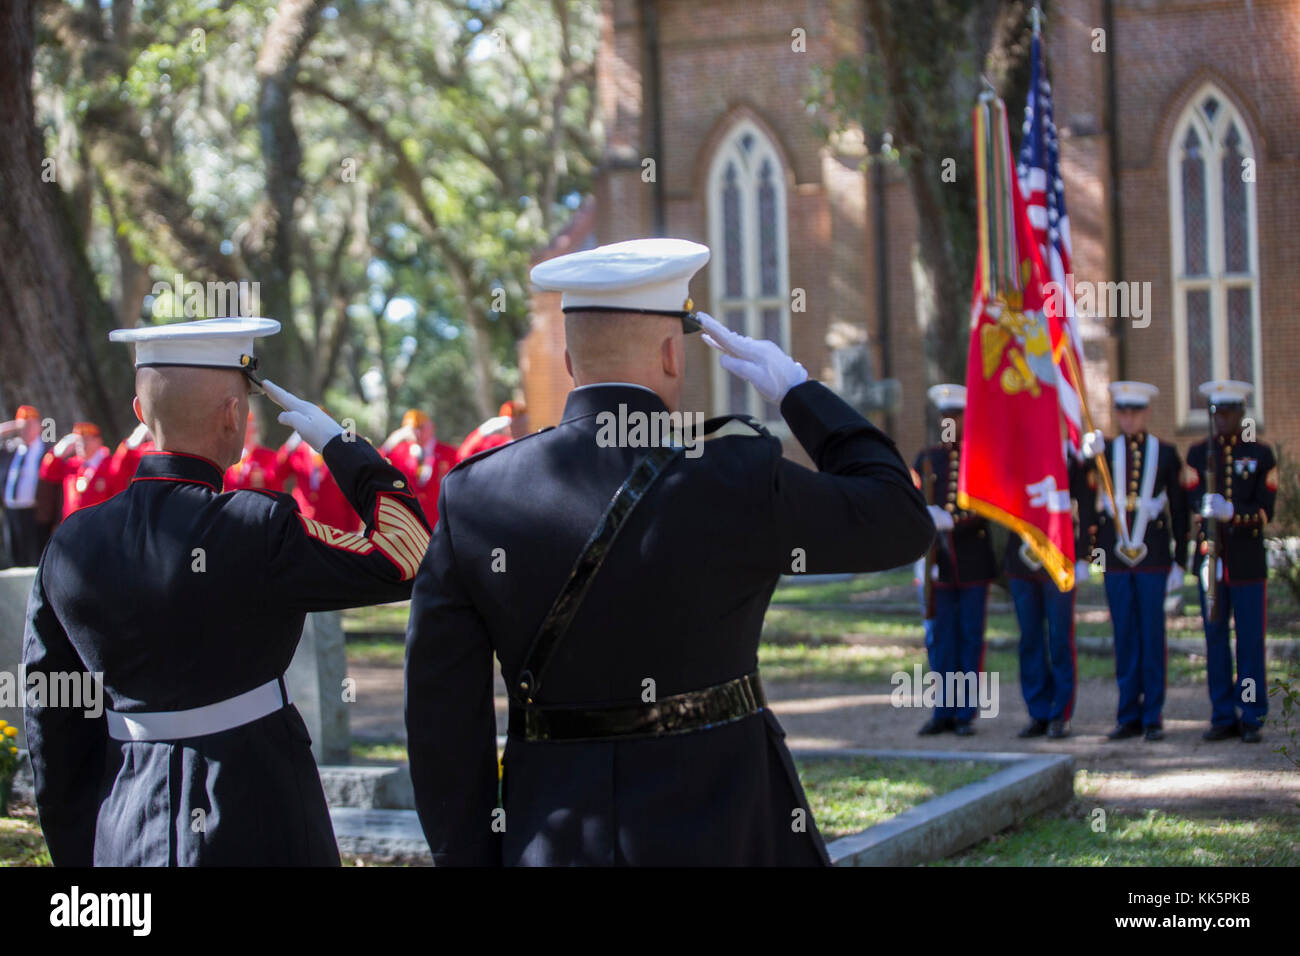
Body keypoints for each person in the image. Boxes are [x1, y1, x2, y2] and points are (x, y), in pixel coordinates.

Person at [404, 237, 933, 866]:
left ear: (571, 363)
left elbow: (440, 719)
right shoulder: (735, 473)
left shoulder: (474, 496)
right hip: (727, 827)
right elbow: (899, 517)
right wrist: (797, 391)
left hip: (555, 836)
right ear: (671, 355)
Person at [23, 316, 431, 866]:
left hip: (128, 817)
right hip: (259, 806)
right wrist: (342, 446)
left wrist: (84, 850)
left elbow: (52, 720)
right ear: (235, 414)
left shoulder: (70, 543)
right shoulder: (256, 525)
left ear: (140, 414)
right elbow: (407, 556)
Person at [1079, 382, 1187, 742]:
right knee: (1124, 635)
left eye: (1134, 411)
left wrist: (1181, 561)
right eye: (1122, 412)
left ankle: (1153, 714)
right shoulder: (1104, 452)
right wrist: (1083, 456)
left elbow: (1181, 511)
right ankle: (1128, 714)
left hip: (1153, 557)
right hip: (1116, 558)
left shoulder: (1167, 454)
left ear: (1146, 413)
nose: (1128, 418)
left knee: (1152, 636)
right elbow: (1079, 489)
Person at [1183, 380, 1275, 744]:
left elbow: (1266, 512)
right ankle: (1222, 714)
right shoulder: (1197, 454)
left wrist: (1233, 512)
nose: (1224, 419)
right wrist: (1201, 510)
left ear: (1241, 414)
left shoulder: (1261, 455)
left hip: (1248, 562)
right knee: (1215, 639)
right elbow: (1189, 498)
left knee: (1250, 641)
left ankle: (1251, 713)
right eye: (1218, 413)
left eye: (1230, 412)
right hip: (1212, 561)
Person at [912, 385, 997, 737]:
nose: (950, 422)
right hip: (938, 565)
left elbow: (988, 506)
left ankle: (965, 713)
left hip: (972, 561)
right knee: (940, 639)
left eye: (956, 416)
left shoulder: (981, 457)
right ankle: (942, 710)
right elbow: (914, 500)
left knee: (970, 638)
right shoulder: (927, 459)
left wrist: (956, 521)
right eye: (945, 416)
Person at [1004, 454, 1088, 740]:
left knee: (1060, 637)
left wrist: (1086, 556)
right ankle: (1038, 711)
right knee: (1030, 638)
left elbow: (1085, 504)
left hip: (1058, 557)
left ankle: (1060, 713)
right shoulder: (1015, 455)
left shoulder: (1071, 459)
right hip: (1021, 560)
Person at [382, 410, 458, 524]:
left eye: (421, 428)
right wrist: (390, 443)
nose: (417, 433)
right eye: (412, 429)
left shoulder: (448, 453)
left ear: (431, 427)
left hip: (439, 524)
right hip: (409, 525)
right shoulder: (399, 452)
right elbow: (378, 467)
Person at [279, 428, 360, 532]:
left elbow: (351, 490)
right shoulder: (299, 452)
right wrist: (289, 446)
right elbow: (278, 474)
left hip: (335, 528)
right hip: (304, 524)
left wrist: (354, 528)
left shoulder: (339, 452)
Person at [1, 405, 51, 566]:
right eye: (22, 426)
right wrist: (11, 427)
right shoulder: (11, 449)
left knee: (36, 559)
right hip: (11, 512)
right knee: (16, 558)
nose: (25, 430)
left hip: (34, 514)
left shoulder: (47, 450)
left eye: (30, 425)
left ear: (39, 425)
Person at [39, 422, 114, 522]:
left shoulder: (110, 465)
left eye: (86, 439)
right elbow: (47, 473)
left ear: (98, 441)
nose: (81, 444)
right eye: (78, 441)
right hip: (73, 526)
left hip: (101, 525)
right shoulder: (73, 465)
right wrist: (58, 451)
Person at [224, 410, 286, 492]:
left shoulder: (267, 456)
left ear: (253, 428)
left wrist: (264, 477)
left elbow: (277, 483)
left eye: (245, 425)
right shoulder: (228, 458)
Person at [456, 400, 529, 462]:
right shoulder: (496, 444)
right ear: (504, 426)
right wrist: (481, 431)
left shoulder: (532, 442)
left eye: (521, 422)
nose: (518, 427)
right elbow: (463, 456)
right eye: (513, 424)